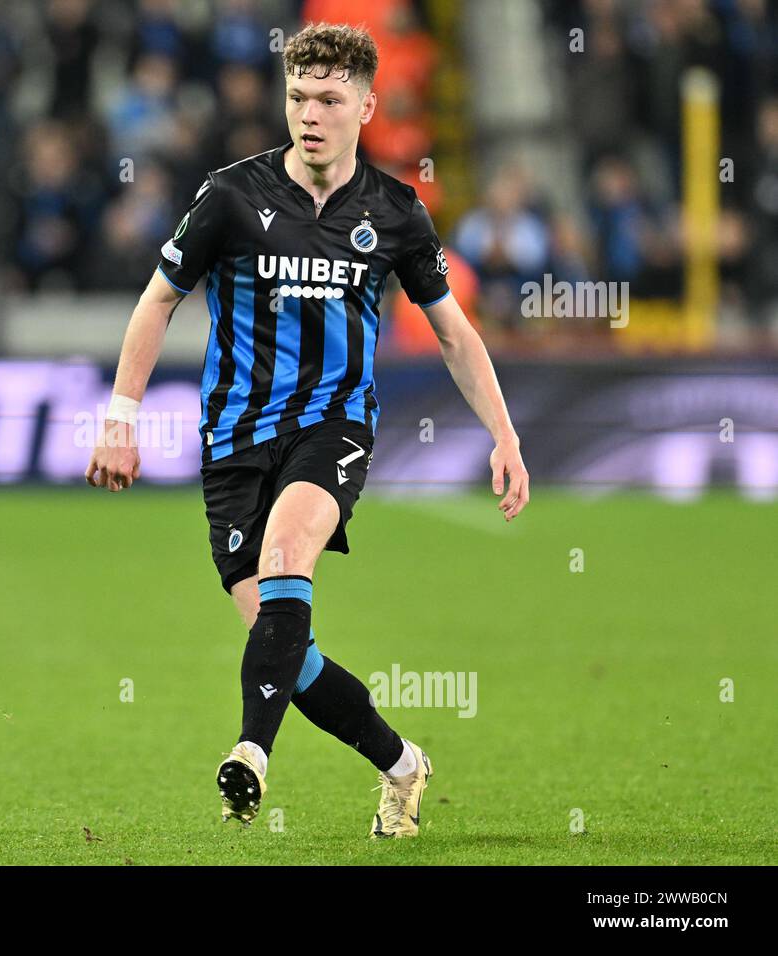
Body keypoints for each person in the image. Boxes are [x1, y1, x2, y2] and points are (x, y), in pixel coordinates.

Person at [85, 22, 530, 839]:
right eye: (298, 96)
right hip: (234, 441)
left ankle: (250, 755)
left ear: (366, 106)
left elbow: (455, 335)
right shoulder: (229, 196)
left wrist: (504, 436)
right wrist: (122, 416)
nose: (310, 113)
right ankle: (402, 765)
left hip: (334, 428)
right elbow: (158, 298)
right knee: (285, 648)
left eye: (329, 99)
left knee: (289, 560)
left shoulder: (395, 212)